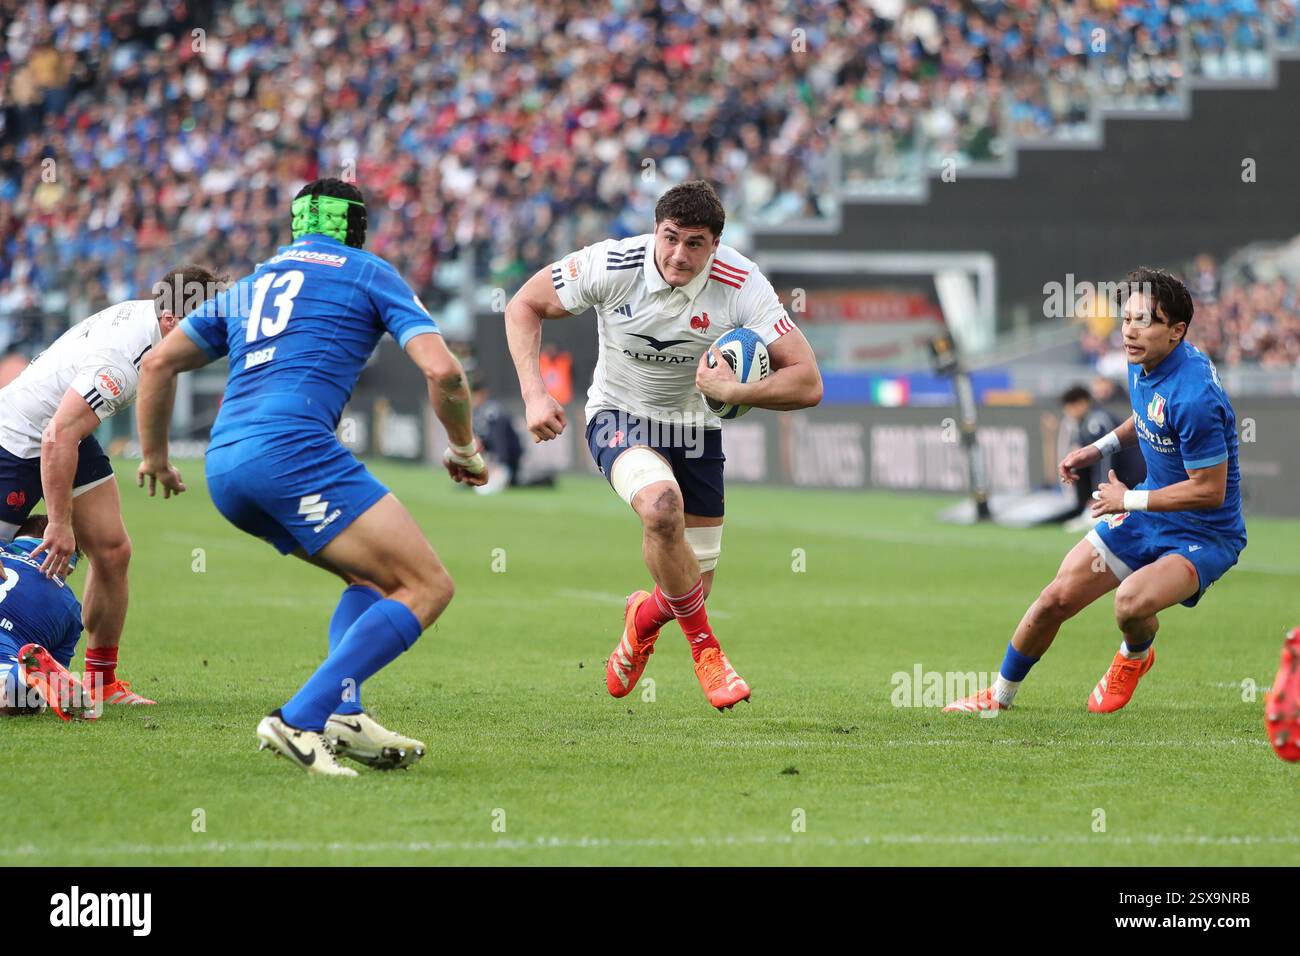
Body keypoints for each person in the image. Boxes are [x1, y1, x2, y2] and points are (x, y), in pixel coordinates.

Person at [136, 179, 488, 776]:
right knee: (427, 586)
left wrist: (154, 457)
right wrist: (464, 448)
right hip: (291, 451)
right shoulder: (369, 272)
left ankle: (343, 714)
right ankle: (299, 717)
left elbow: (159, 361)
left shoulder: (252, 284)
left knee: (370, 579)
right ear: (357, 227)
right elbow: (445, 373)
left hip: (226, 466)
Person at [504, 180, 822, 710]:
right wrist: (535, 395)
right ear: (655, 230)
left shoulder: (742, 283)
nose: (679, 254)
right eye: (670, 237)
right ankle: (709, 652)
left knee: (685, 589)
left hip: (695, 432)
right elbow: (523, 305)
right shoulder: (611, 264)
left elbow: (808, 382)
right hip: (618, 416)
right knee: (661, 507)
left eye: (695, 243)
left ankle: (642, 618)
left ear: (715, 246)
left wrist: (738, 392)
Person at [946, 267, 1246, 714]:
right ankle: (998, 698)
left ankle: (1135, 654)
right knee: (1056, 597)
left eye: (1144, 321)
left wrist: (1127, 499)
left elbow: (1209, 491)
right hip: (1148, 509)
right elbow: (1146, 419)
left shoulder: (1196, 395)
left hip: (1204, 533)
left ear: (1177, 331)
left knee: (1129, 605)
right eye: (1127, 319)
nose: (1130, 331)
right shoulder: (1143, 358)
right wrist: (1098, 447)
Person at [0, 265, 220, 706]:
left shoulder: (159, 328)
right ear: (173, 320)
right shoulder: (119, 364)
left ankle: (101, 681)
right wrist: (60, 524)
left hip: (65, 431)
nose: (215, 336)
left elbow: (159, 377)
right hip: (19, 438)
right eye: (208, 324)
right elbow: (55, 436)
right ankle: (13, 678)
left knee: (113, 550)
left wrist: (155, 458)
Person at [0, 514, 92, 719]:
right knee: (26, 697)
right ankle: (24, 680)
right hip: (7, 647)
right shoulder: (69, 605)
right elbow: (57, 669)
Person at [1058, 383, 1145, 524]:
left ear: (1082, 403)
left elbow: (1106, 460)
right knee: (1078, 460)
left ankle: (1095, 509)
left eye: (1071, 406)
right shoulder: (1086, 422)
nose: (1068, 412)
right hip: (1124, 474)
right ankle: (1084, 509)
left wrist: (1099, 494)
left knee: (1085, 462)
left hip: (1129, 474)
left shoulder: (1097, 421)